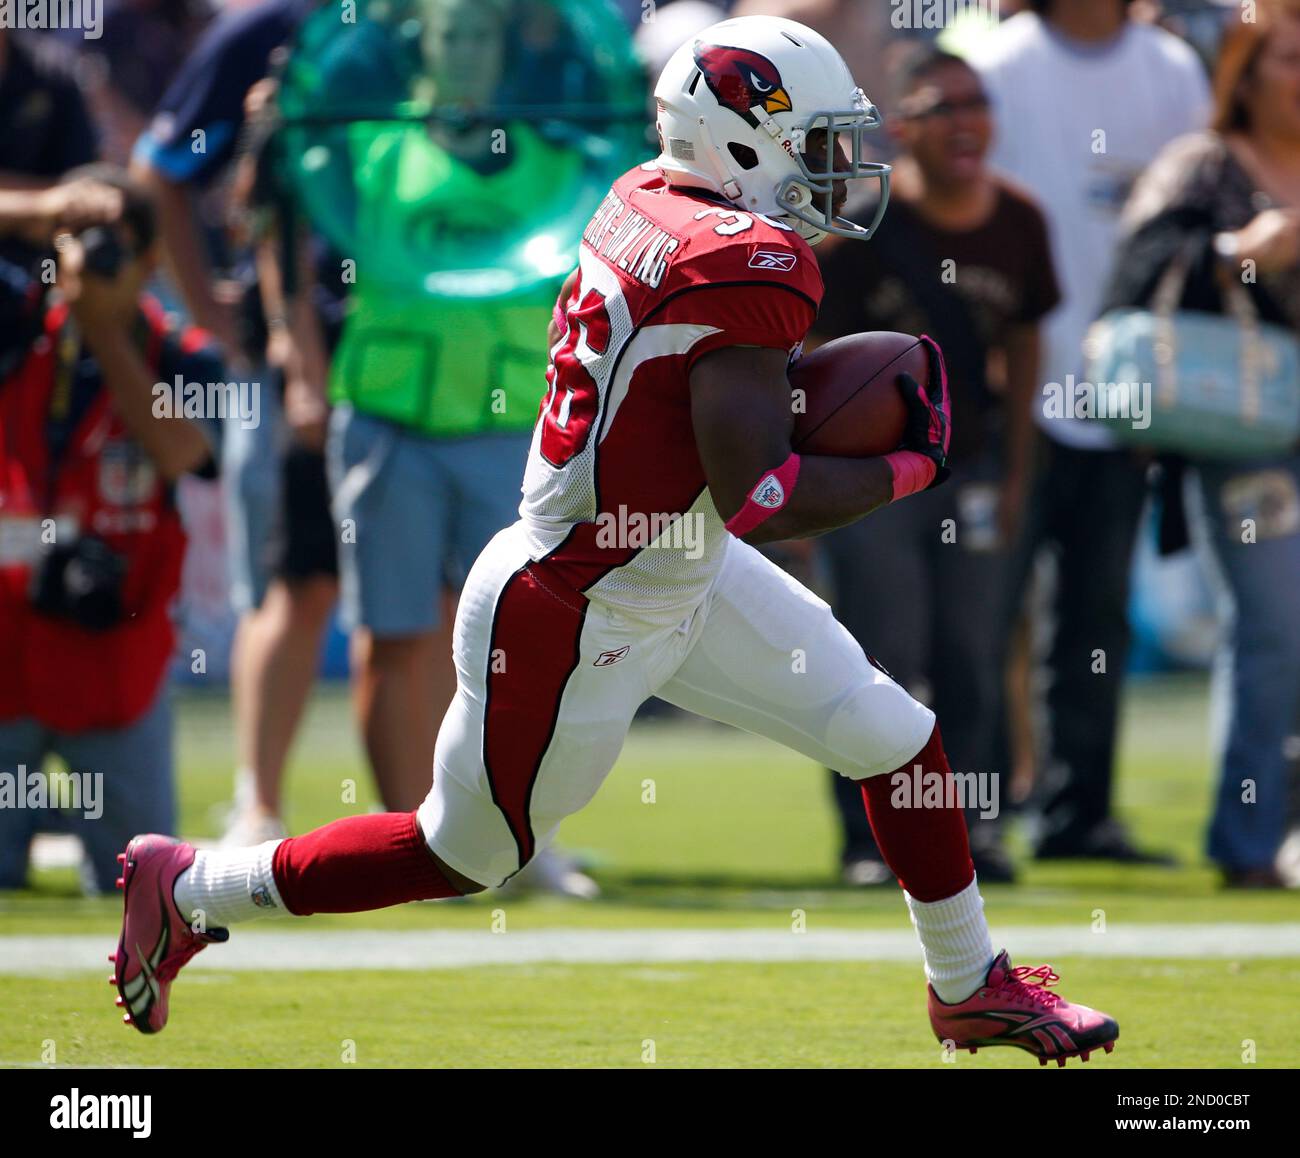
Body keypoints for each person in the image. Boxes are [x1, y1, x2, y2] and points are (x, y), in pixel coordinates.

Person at [111, 15, 1119, 1066]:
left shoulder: (650, 191)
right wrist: (907, 465)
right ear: (736, 138)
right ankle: (186, 886)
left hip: (665, 559)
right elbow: (764, 490)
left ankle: (968, 988)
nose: (837, 167)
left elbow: (702, 417)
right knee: (463, 854)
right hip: (581, 604)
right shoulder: (749, 262)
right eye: (815, 141)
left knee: (897, 739)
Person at [968, 0, 1211, 862]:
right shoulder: (1000, 61)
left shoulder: (1172, 69)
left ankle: (1080, 816)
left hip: (1129, 397)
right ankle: (978, 818)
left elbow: (1190, 226)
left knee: (1096, 620)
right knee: (986, 618)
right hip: (1014, 394)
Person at [814, 47, 1060, 886]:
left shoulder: (1019, 219)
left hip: (975, 469)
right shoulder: (861, 224)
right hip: (875, 476)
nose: (965, 120)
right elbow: (811, 358)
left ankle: (975, 830)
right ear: (901, 127)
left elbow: (1026, 342)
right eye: (942, 104)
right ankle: (865, 840)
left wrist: (1020, 471)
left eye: (977, 101)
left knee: (974, 652)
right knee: (879, 652)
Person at [131, 0, 343, 848]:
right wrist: (216, 319)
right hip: (283, 362)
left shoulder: (429, 28)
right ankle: (257, 804)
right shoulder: (264, 31)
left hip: (418, 361)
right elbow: (161, 172)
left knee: (428, 601)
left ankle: (440, 817)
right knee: (289, 580)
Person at [1100, 0, 1300, 888]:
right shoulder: (1204, 166)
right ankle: (1249, 841)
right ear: (1246, 73)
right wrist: (1240, 251)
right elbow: (1132, 282)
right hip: (1245, 434)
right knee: (1273, 631)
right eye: (1292, 60)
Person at [0, 167, 222, 892]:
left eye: (116, 247)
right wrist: (39, 212)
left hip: (114, 658)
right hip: (8, 645)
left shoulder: (183, 355)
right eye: (81, 241)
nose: (96, 260)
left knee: (145, 885)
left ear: (153, 263)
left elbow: (184, 452)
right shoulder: (18, 325)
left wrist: (104, 331)